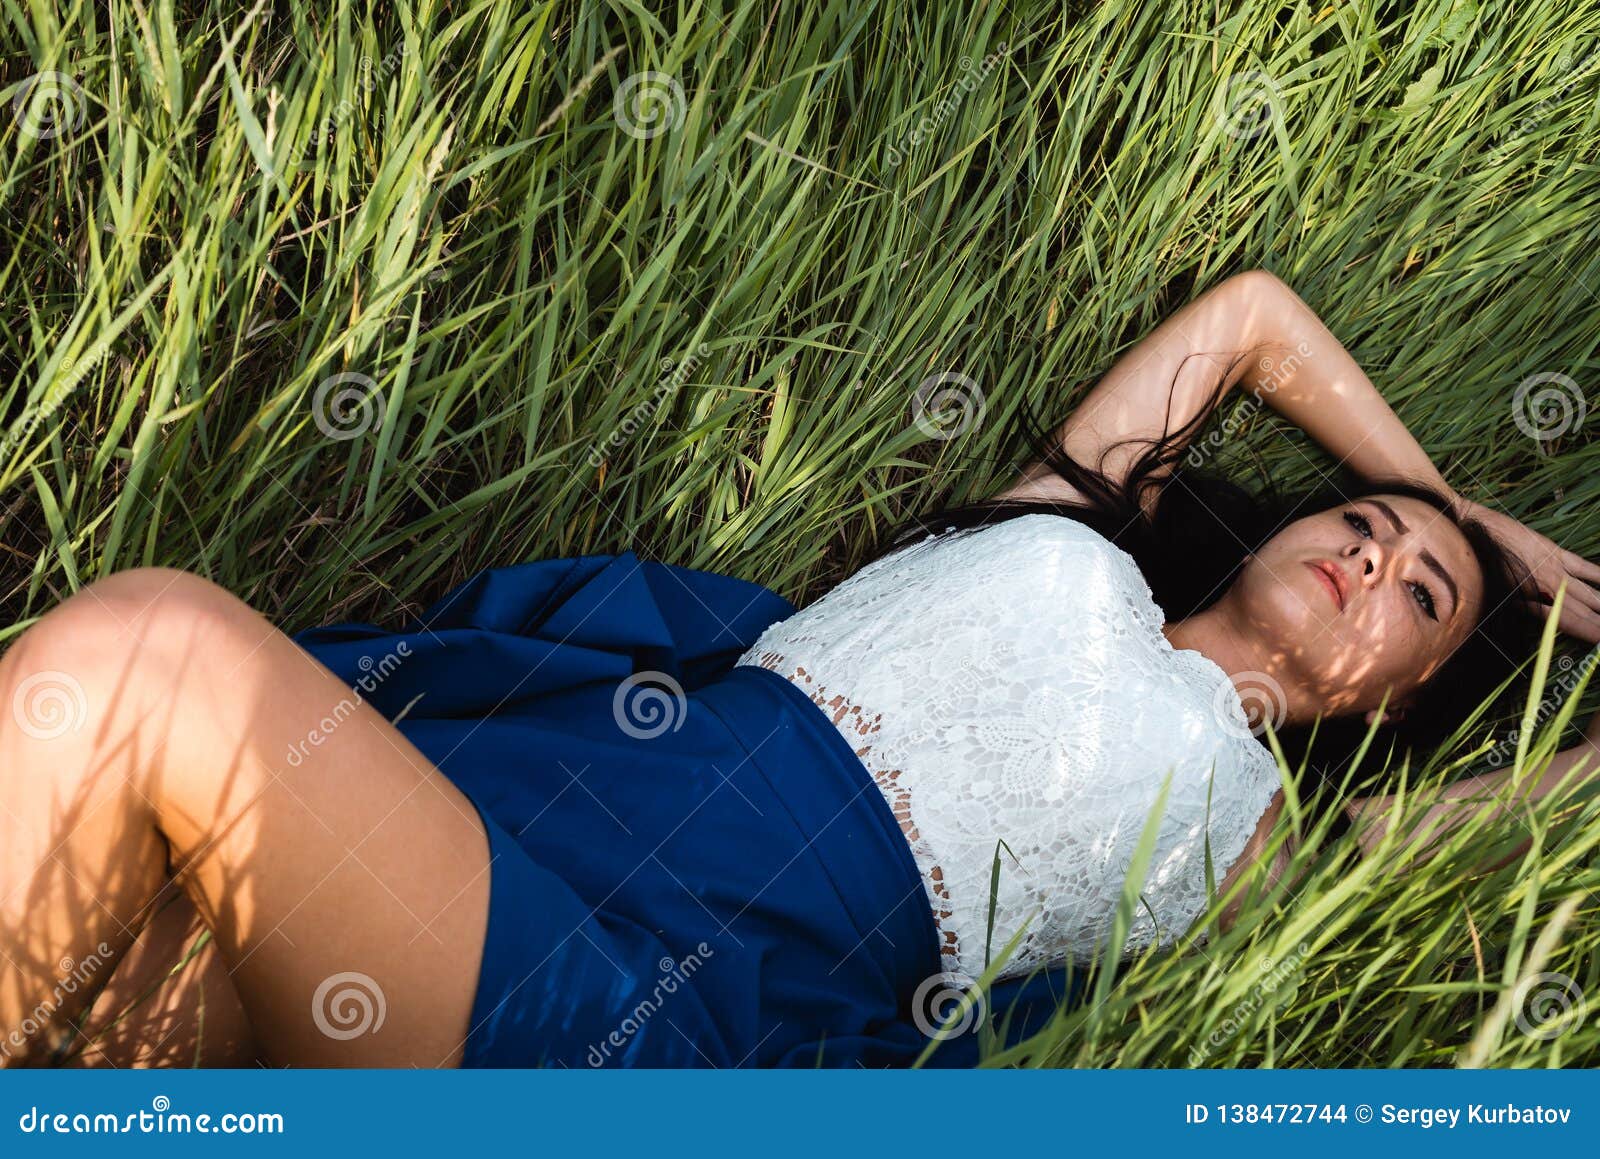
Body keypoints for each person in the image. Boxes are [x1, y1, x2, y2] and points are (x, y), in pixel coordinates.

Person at [2, 269, 1597, 1069]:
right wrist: (1476, 522)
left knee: (152, 657)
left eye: (1422, 594)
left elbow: (1520, 813)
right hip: (523, 796)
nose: (1376, 554)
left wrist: (1494, 598)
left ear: (1395, 697)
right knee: (113, 1004)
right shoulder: (1073, 531)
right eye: (1370, 521)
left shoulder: (1256, 839)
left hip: (663, 988)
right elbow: (1248, 319)